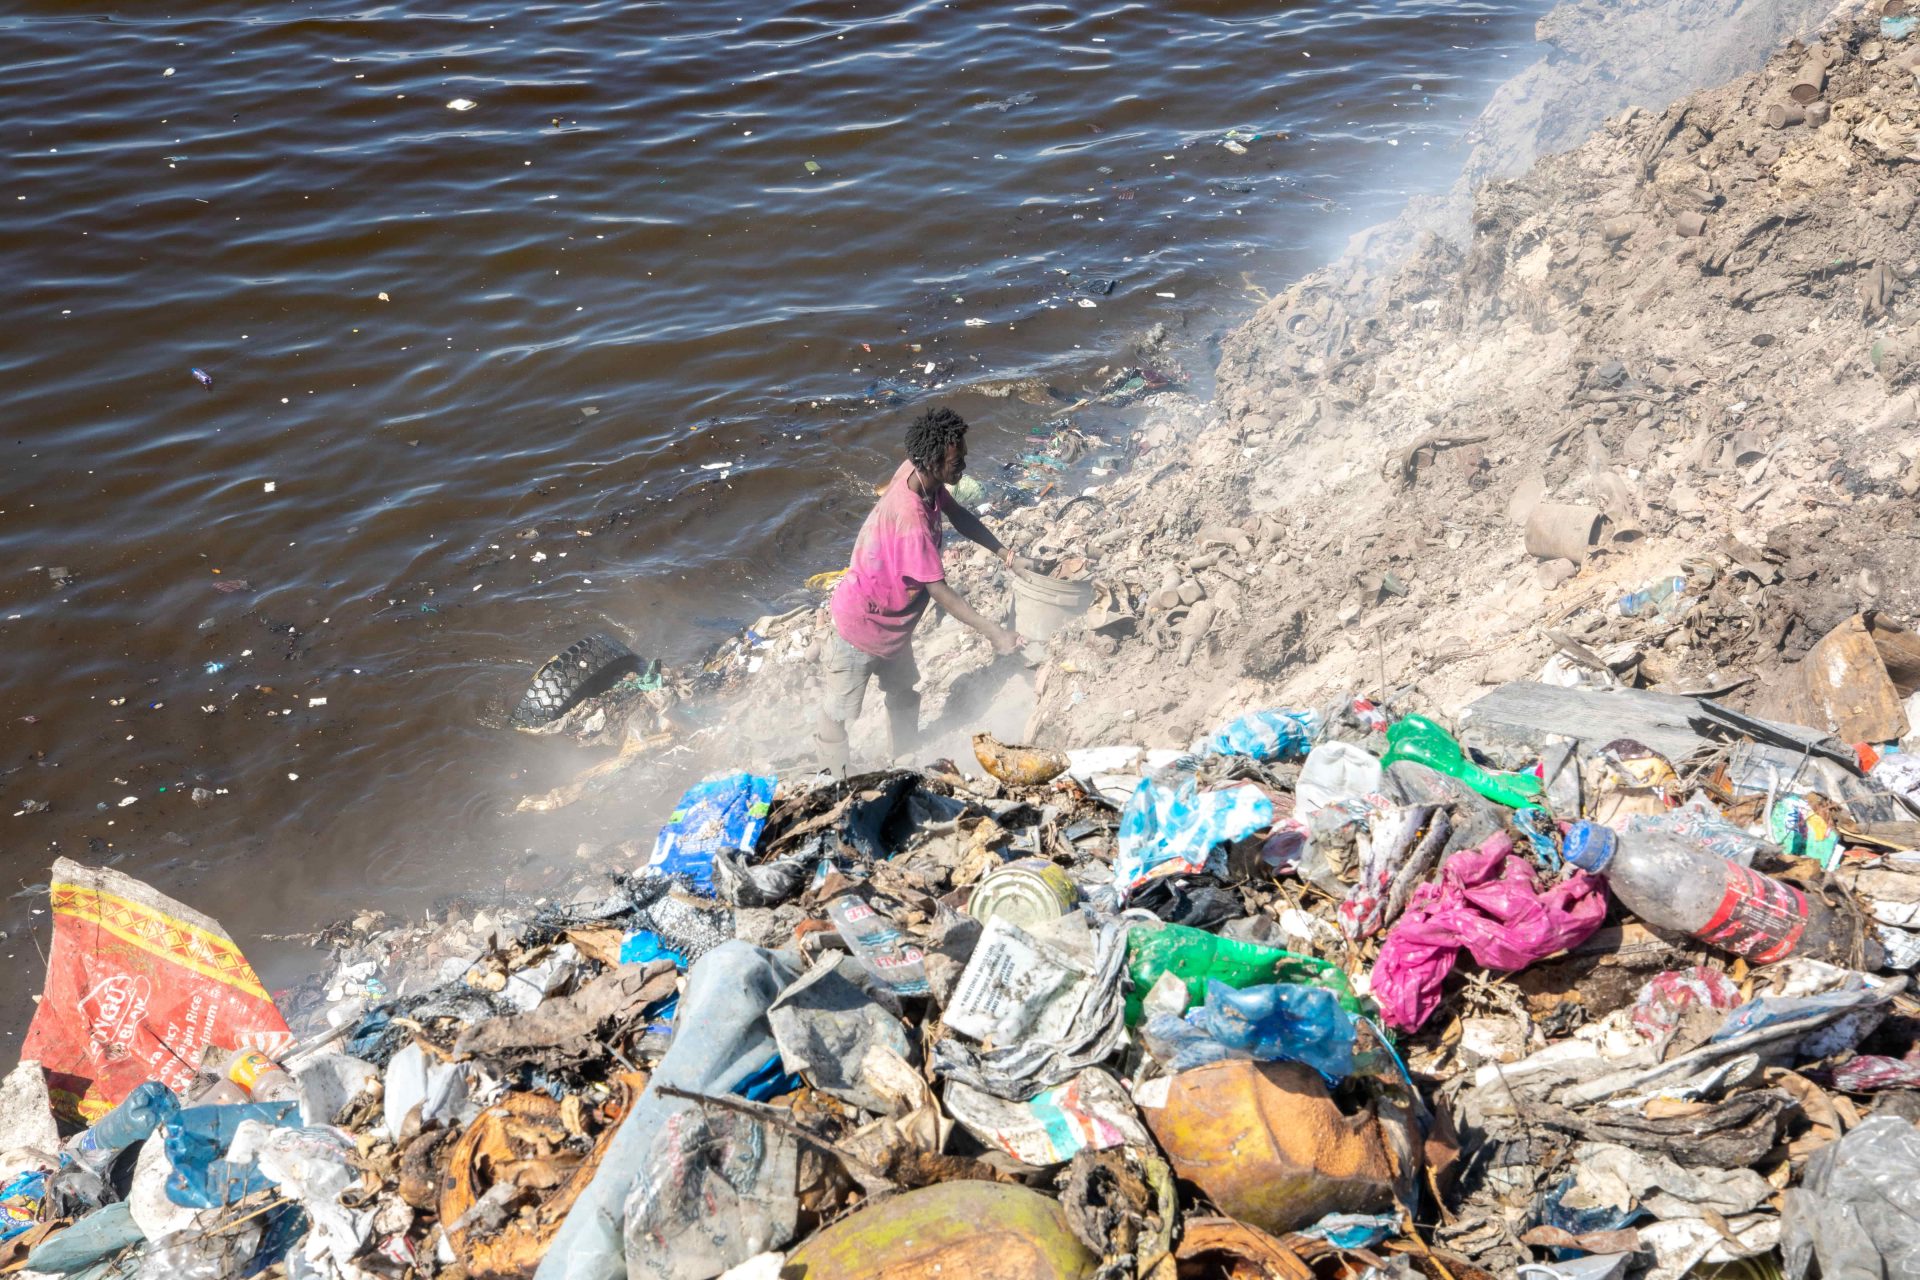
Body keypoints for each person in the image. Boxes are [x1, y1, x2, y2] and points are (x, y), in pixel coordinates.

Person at [817, 406, 1024, 769]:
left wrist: (1006, 554)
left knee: (903, 693)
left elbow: (958, 515)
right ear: (930, 461)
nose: (963, 467)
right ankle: (833, 774)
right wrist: (994, 632)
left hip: (894, 625)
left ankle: (902, 756)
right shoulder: (911, 520)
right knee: (839, 714)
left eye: (963, 457)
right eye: (956, 462)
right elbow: (939, 590)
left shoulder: (920, 475)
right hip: (861, 625)